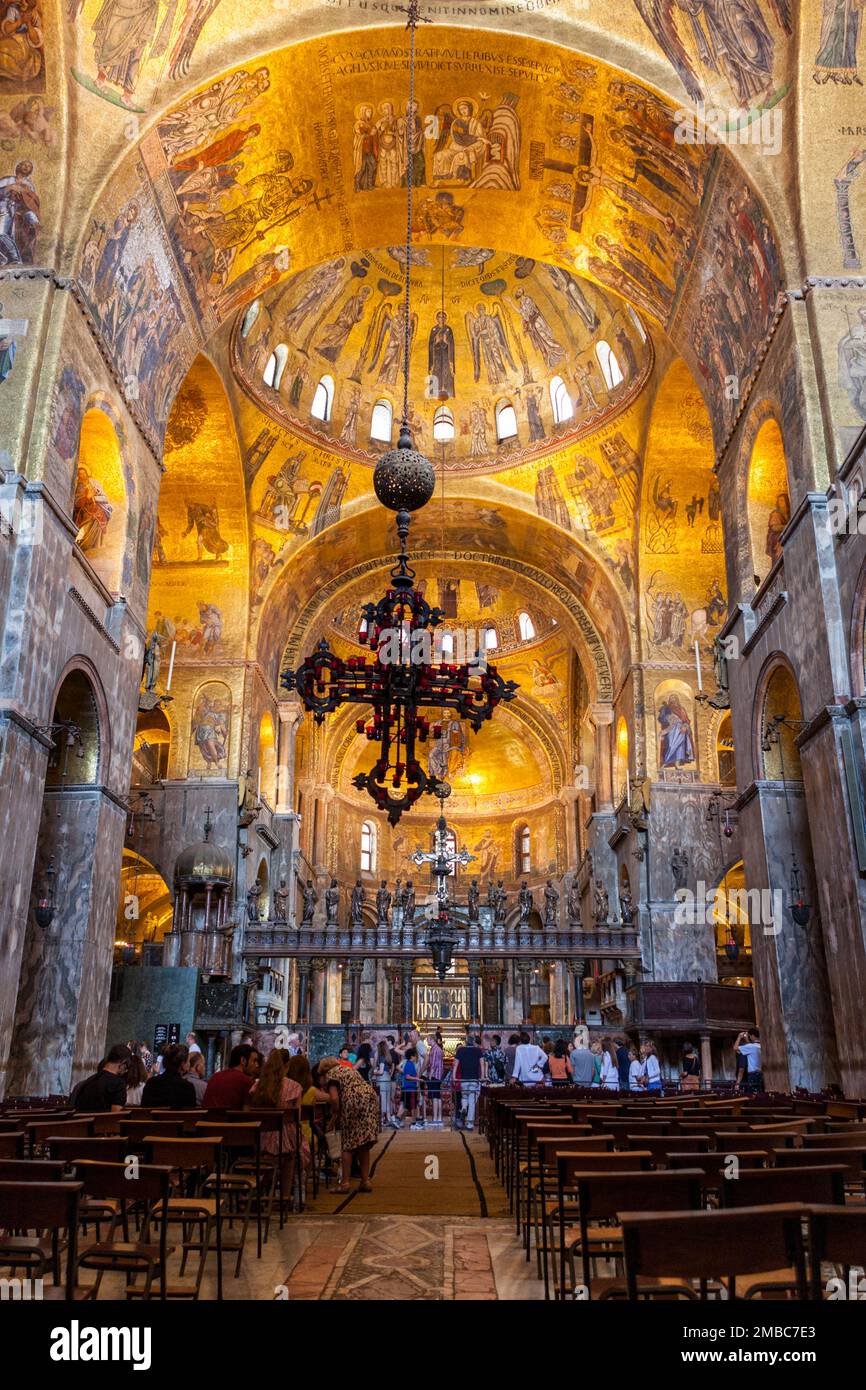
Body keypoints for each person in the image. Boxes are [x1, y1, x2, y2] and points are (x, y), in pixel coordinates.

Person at [248, 1049, 307, 1199]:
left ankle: (262, 1185)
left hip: (261, 1138)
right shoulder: (294, 1087)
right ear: (287, 1066)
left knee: (272, 1153)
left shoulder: (258, 1086)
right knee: (291, 1154)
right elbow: (297, 1117)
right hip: (286, 1139)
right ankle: (285, 1197)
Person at [318, 1054, 380, 1194]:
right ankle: (365, 1181)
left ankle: (345, 1183)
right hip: (369, 1099)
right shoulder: (347, 1069)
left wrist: (334, 1117)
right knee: (363, 1142)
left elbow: (334, 1098)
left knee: (348, 1144)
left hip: (353, 1103)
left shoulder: (331, 1075)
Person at [72, 1043, 131, 1112]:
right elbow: (115, 1116)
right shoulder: (119, 1084)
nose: (126, 1070)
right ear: (123, 1063)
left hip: (80, 1122)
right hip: (102, 1122)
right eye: (127, 1066)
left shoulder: (88, 1081)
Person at [201, 1043, 261, 1108]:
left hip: (207, 1117)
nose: (256, 1065)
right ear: (243, 1060)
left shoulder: (215, 1077)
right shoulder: (245, 1080)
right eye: (254, 1061)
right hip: (231, 1117)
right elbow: (247, 1112)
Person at [141, 1044, 197, 1109]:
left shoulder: (151, 1083)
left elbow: (144, 1110)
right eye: (188, 1061)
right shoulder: (187, 1087)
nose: (189, 1064)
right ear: (183, 1064)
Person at [454, 1034, 486, 1129]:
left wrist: (454, 1077)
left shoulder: (461, 1050)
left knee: (464, 1097)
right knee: (472, 1100)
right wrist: (483, 1076)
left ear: (466, 1042)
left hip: (464, 1079)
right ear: (473, 1042)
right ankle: (470, 1123)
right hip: (474, 1079)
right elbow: (482, 1064)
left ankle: (463, 1108)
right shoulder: (478, 1050)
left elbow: (455, 1065)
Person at [425, 1033, 444, 1128]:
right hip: (437, 1075)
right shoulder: (435, 1049)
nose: (426, 1041)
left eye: (427, 1039)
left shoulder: (435, 1049)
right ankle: (439, 1118)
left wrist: (430, 1075)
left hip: (435, 1076)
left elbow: (434, 1064)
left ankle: (436, 1118)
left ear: (432, 1039)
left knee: (435, 1097)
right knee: (437, 1096)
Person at [373, 1039, 394, 1125]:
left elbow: (381, 1071)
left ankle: (381, 1120)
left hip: (382, 1080)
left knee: (382, 1099)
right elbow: (390, 1069)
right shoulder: (388, 1057)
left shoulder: (381, 1057)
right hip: (387, 1079)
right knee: (387, 1099)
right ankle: (388, 1118)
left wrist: (374, 1072)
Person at [735, 1028, 763, 1093]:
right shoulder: (760, 1046)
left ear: (752, 1035)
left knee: (752, 1094)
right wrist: (747, 1039)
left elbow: (735, 1048)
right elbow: (751, 1046)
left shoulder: (750, 1047)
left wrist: (739, 1037)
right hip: (760, 1073)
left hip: (752, 1074)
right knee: (759, 1092)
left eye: (750, 1036)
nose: (749, 1037)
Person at [401, 1047, 421, 1128]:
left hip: (410, 1088)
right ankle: (413, 1123)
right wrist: (417, 1079)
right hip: (410, 1088)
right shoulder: (409, 1064)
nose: (416, 1057)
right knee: (412, 1107)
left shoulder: (410, 1064)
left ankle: (401, 1121)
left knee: (408, 1107)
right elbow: (407, 1077)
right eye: (415, 1056)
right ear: (412, 1056)